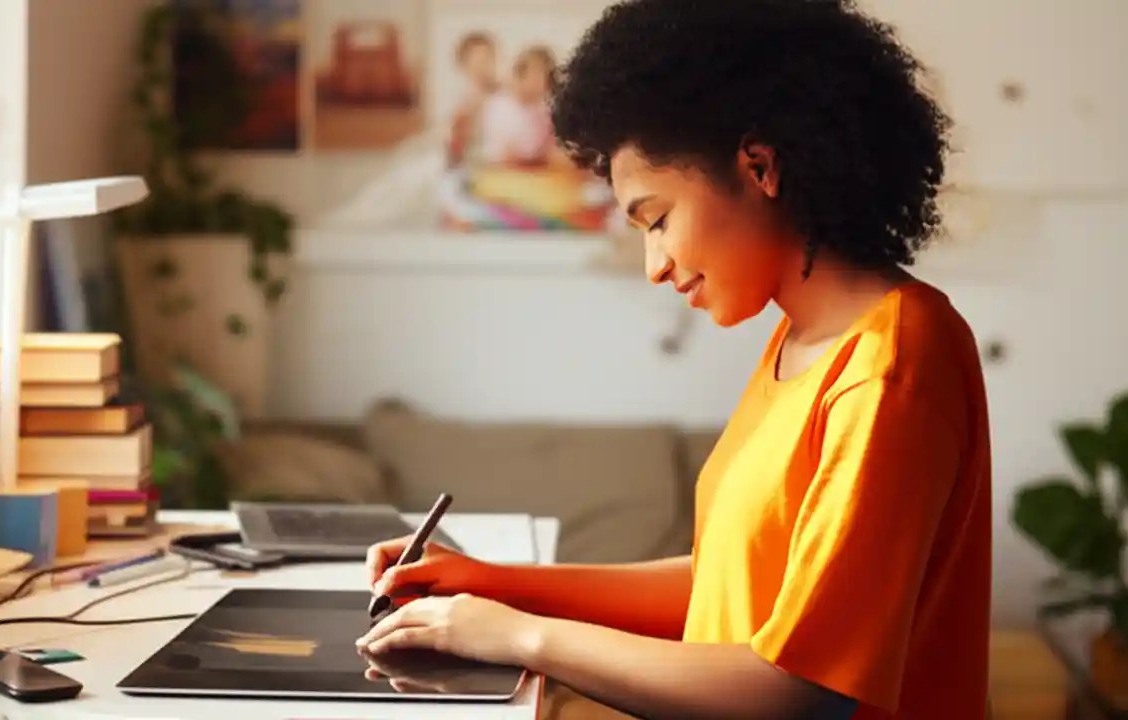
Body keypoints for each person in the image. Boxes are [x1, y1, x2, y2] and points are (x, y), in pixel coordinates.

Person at [357, 1, 991, 718]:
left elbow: (797, 690)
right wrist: (494, 583)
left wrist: (520, 636)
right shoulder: (802, 340)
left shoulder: (891, 366)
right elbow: (724, 588)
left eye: (656, 219)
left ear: (759, 167)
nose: (654, 265)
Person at [479, 45, 558, 166]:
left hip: (539, 175)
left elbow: (554, 152)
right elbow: (506, 156)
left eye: (546, 76)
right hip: (504, 176)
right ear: (520, 75)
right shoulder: (498, 106)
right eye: (536, 75)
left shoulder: (545, 110)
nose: (541, 83)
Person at [447, 32, 500, 167]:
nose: (483, 67)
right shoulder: (463, 100)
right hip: (473, 156)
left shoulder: (501, 92)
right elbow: (455, 143)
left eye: (488, 59)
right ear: (464, 66)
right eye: (478, 61)